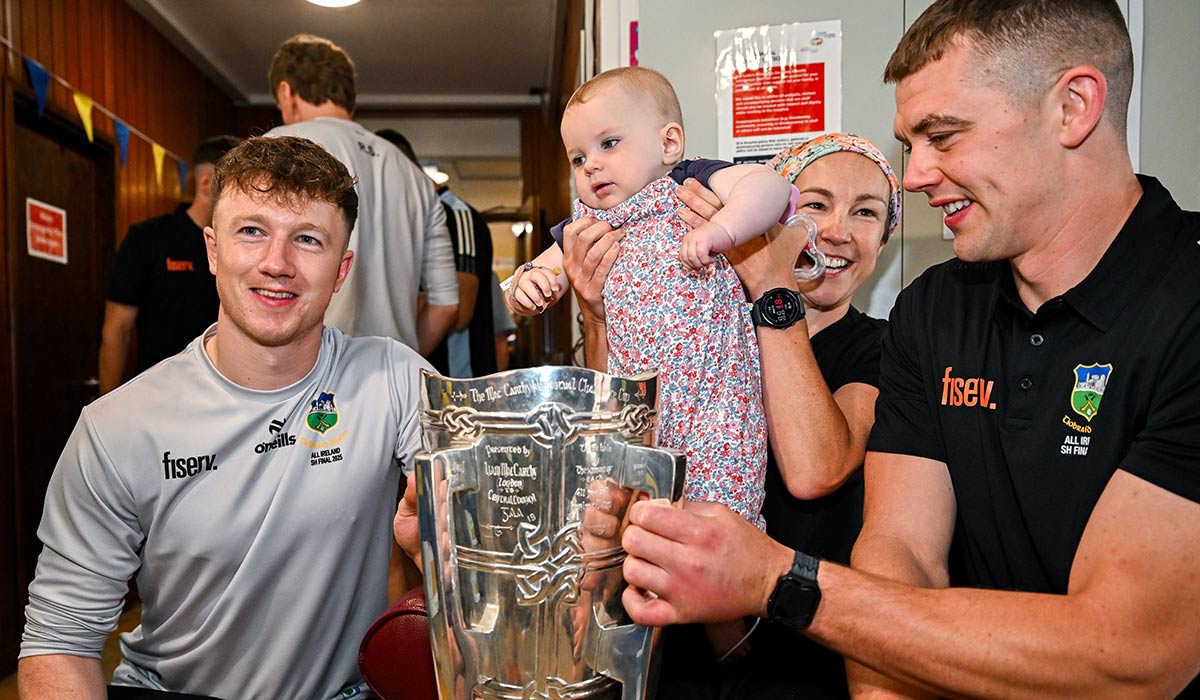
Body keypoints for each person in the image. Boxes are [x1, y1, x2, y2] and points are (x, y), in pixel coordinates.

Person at [615, 1, 1200, 698]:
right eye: (910, 142)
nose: (916, 175)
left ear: (1074, 106)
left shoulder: (1185, 299)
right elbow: (900, 557)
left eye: (943, 136)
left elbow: (1131, 652)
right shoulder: (936, 309)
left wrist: (779, 580)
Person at [19, 136, 432, 700]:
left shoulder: (392, 379)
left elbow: (491, 538)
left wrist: (431, 550)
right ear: (213, 250)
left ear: (341, 270)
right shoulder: (119, 425)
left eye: (308, 240)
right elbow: (60, 642)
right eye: (252, 231)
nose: (276, 264)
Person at [564, 133, 900, 699]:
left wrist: (771, 282)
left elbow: (815, 469)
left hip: (801, 661)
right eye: (815, 205)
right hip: (676, 650)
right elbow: (620, 446)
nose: (838, 231)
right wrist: (599, 319)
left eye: (866, 212)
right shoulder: (705, 320)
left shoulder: (885, 348)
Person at [266, 34, 458, 355]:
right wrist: (399, 363)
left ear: (287, 92)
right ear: (349, 100)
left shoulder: (276, 150)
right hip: (392, 383)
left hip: (301, 377)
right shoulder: (415, 176)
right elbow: (447, 304)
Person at [99, 135, 242, 394]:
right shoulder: (148, 238)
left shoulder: (247, 247)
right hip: (159, 395)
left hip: (230, 396)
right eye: (239, 186)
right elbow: (117, 329)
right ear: (207, 183)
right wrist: (106, 408)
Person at [376, 127, 498, 377]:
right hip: (419, 379)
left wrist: (389, 300)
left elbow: (461, 310)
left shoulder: (456, 214)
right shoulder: (402, 222)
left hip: (460, 383)